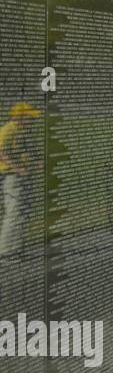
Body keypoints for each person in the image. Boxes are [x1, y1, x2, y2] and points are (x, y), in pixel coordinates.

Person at [0, 102, 40, 259]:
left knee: (24, 211)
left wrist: (36, 160)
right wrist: (18, 168)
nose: (32, 120)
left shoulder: (24, 131)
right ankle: (6, 251)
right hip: (13, 177)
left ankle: (17, 248)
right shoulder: (8, 130)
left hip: (25, 175)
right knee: (14, 212)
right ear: (20, 117)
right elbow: (2, 153)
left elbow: (29, 149)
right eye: (29, 117)